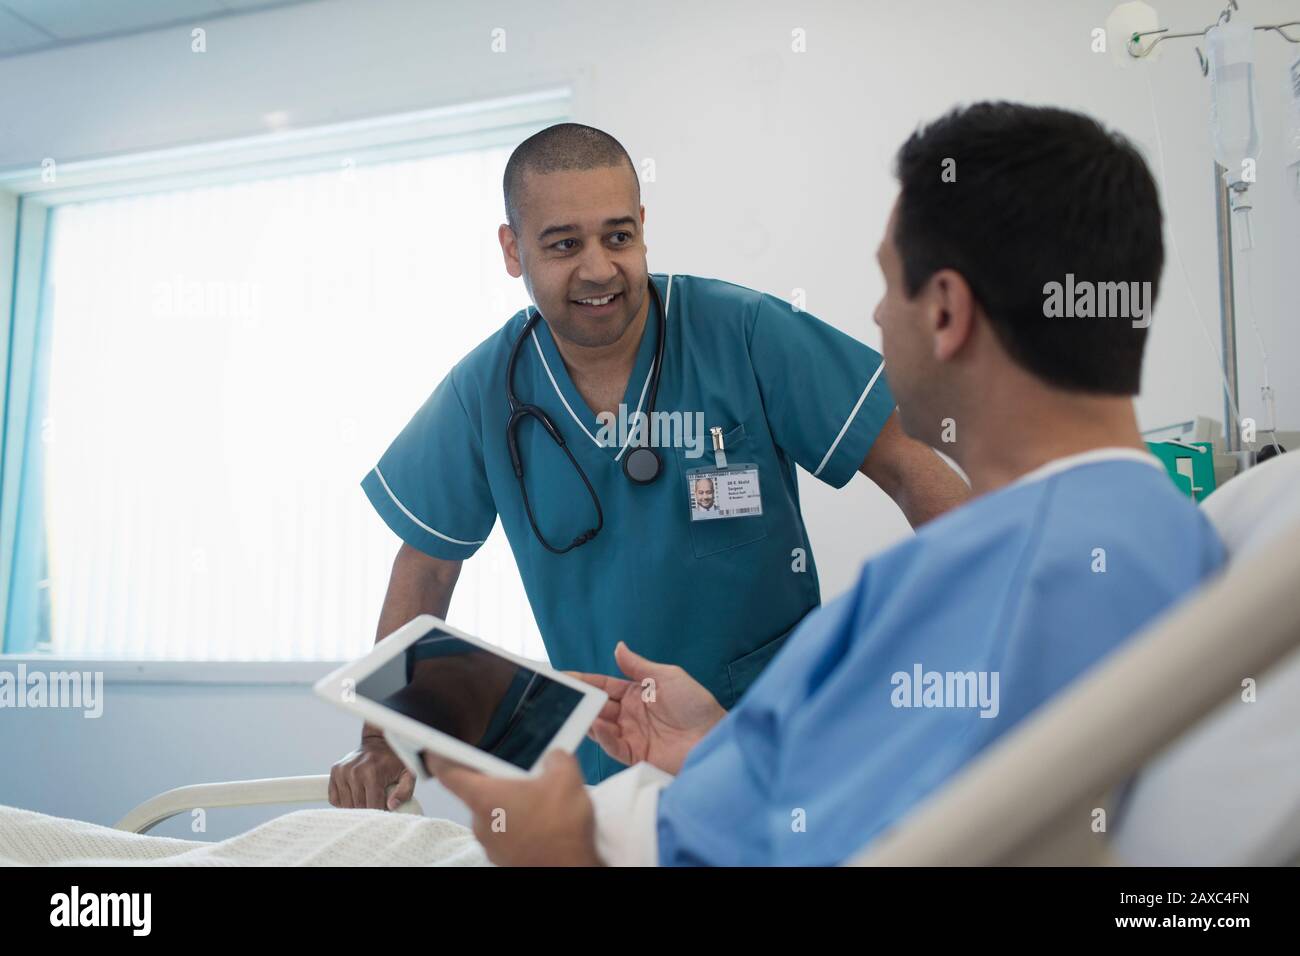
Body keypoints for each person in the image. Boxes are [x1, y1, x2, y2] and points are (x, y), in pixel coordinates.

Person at [421, 101, 1227, 865]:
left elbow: (852, 837)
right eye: (563, 243)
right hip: (675, 769)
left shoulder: (977, 588)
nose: (874, 319)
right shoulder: (1149, 539)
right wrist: (710, 749)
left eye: (887, 285)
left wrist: (561, 849)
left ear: (945, 312)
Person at [331, 123, 970, 804]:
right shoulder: (485, 391)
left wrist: (980, 625)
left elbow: (906, 460)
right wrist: (381, 741)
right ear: (513, 250)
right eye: (563, 245)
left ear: (642, 225)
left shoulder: (742, 333)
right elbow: (425, 565)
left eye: (617, 236)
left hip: (777, 743)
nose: (600, 268)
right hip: (613, 760)